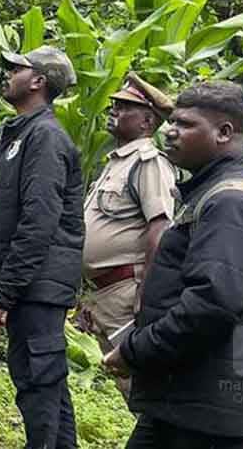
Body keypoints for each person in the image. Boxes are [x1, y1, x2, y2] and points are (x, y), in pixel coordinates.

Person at [104, 81, 243, 449]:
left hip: (210, 414)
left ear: (223, 133)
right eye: (172, 122)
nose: (169, 131)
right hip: (186, 401)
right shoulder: (212, 193)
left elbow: (212, 304)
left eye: (185, 125)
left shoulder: (232, 203)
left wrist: (136, 350)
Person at [0, 45, 84, 449]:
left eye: (16, 68)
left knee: (38, 380)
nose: (8, 74)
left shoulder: (46, 137)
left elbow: (40, 221)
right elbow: (10, 211)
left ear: (37, 81)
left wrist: (4, 293)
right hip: (30, 282)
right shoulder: (16, 133)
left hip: (39, 285)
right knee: (45, 382)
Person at [80, 72, 177, 398]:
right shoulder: (117, 162)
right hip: (105, 292)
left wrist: (146, 293)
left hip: (126, 291)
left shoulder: (148, 163)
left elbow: (159, 227)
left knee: (143, 383)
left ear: (147, 121)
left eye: (125, 107)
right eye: (115, 105)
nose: (114, 111)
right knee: (128, 384)